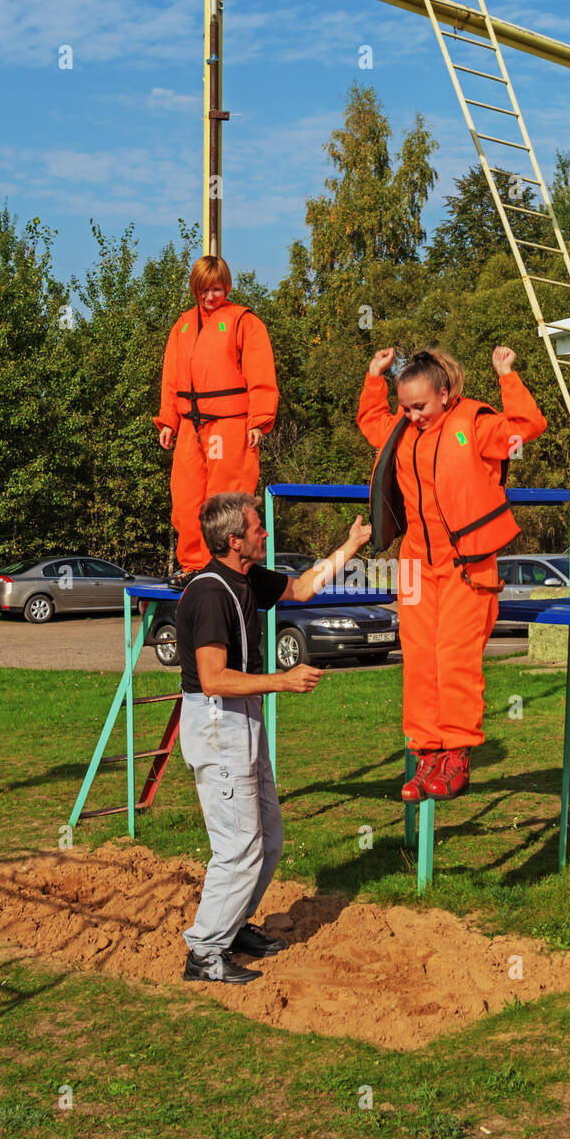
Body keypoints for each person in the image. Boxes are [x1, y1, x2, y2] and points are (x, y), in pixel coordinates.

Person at [177, 490, 372, 984]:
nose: (265, 531)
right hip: (219, 720)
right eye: (257, 526)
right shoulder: (209, 593)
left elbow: (304, 588)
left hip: (242, 717)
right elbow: (213, 678)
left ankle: (233, 925)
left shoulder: (247, 578)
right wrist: (283, 681)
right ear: (234, 540)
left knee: (269, 838)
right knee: (239, 845)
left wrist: (349, 546)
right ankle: (204, 953)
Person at [357, 344, 547, 802]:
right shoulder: (402, 429)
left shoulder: (474, 424)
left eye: (419, 406)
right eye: (405, 407)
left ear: (444, 394)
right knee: (419, 659)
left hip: (467, 561)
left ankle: (457, 755)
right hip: (415, 563)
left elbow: (526, 427)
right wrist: (372, 377)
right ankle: (426, 755)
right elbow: (371, 424)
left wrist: (507, 376)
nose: (412, 415)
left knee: (454, 657)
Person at [155, 256, 279, 586]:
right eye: (205, 290)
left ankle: (225, 566)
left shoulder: (243, 322)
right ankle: (193, 566)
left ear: (227, 287)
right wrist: (168, 419)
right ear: (195, 290)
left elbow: (261, 373)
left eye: (218, 289)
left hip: (231, 424)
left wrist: (258, 420)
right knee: (185, 501)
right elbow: (170, 378)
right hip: (189, 427)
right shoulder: (182, 326)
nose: (211, 296)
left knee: (225, 502)